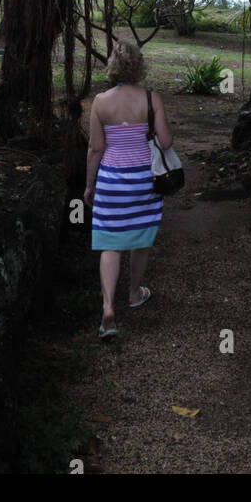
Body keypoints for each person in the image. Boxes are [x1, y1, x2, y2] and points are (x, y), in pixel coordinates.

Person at [84, 38, 173, 338]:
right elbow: (166, 142)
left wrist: (89, 186)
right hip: (144, 182)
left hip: (111, 181)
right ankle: (134, 293)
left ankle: (108, 307)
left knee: (110, 243)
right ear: (139, 65)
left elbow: (96, 148)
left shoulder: (100, 102)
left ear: (112, 65)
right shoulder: (152, 99)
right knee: (140, 239)